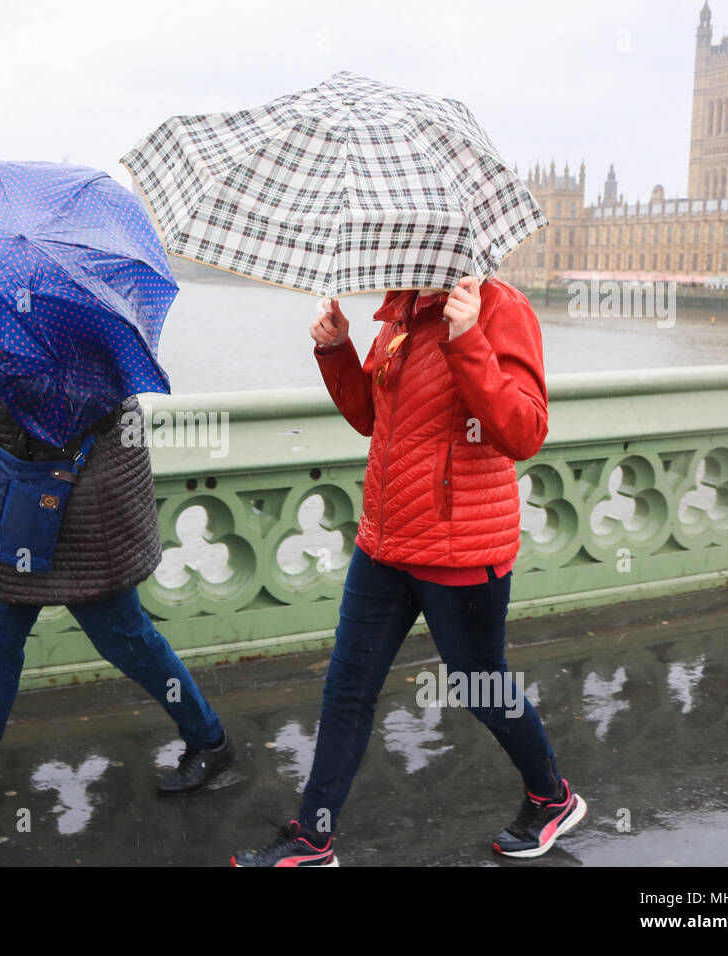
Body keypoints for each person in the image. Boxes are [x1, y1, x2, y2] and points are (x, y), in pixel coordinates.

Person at [232, 276, 584, 866]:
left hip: (462, 548)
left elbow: (524, 433)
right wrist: (337, 349)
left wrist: (468, 337)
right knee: (348, 687)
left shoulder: (500, 307)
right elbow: (372, 417)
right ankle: (313, 839)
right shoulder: (400, 312)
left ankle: (552, 797)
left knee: (481, 686)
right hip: (386, 541)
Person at [0, 361, 233, 803]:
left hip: (82, 519)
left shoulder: (88, 339)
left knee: (127, 639)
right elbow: (6, 419)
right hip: (27, 509)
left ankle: (210, 741)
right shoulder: (23, 327)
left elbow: (54, 418)